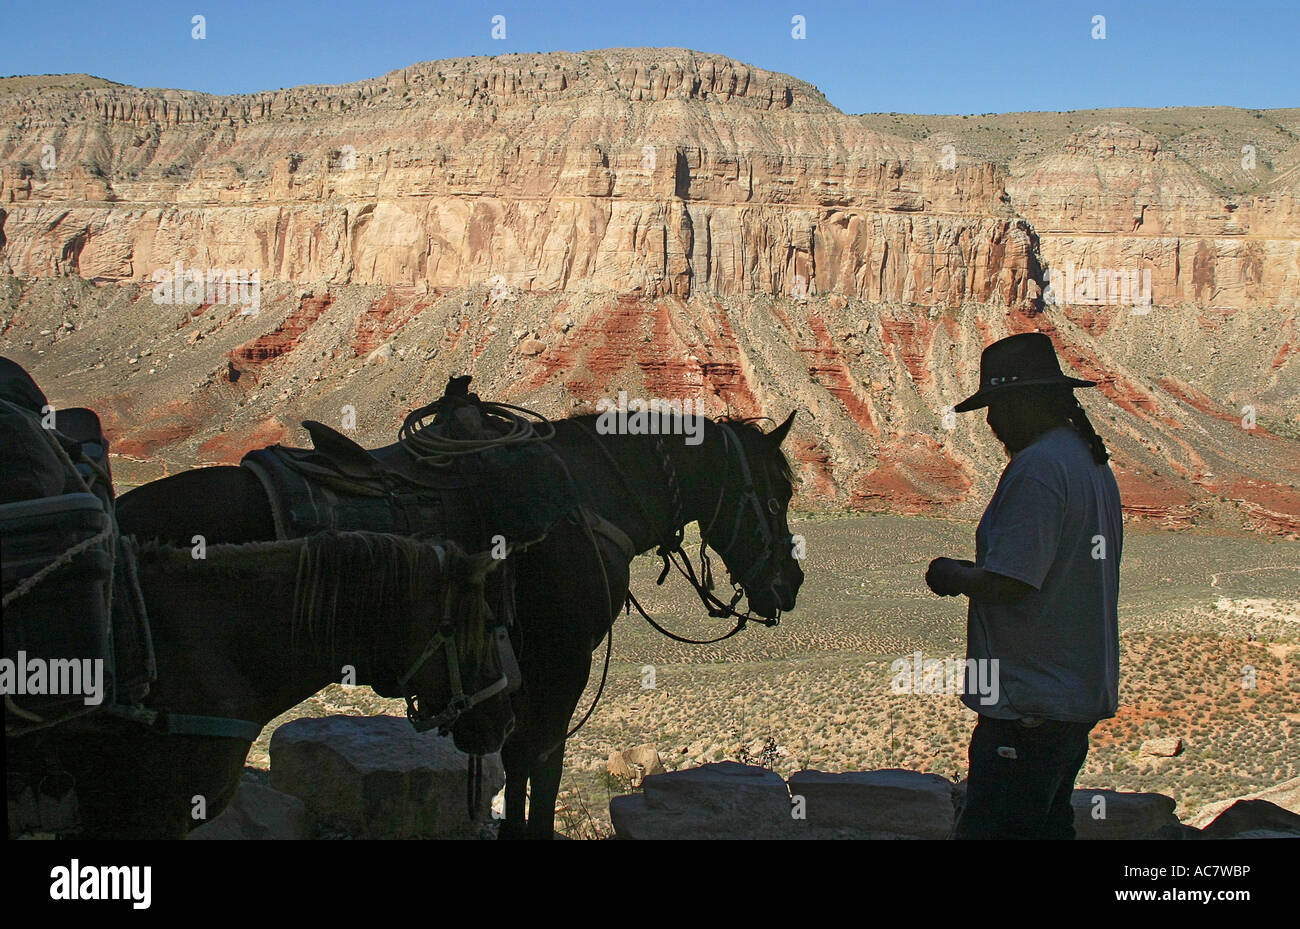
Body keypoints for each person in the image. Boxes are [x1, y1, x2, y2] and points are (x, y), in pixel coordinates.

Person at [925, 332, 1123, 839]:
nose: (991, 422)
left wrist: (953, 576)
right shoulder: (1085, 458)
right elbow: (1043, 566)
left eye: (998, 406)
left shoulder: (1037, 469)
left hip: (1029, 707)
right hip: (1066, 698)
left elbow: (1012, 585)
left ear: (1027, 401)